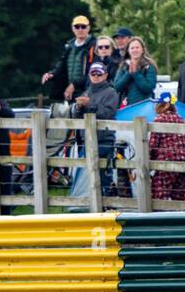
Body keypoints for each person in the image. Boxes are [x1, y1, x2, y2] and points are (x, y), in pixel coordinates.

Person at [72, 63, 119, 195]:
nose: (96, 76)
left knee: (104, 177)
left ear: (105, 75)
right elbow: (77, 118)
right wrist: (79, 108)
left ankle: (109, 207)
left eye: (99, 74)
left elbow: (108, 113)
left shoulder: (111, 92)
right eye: (93, 74)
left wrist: (89, 105)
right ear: (89, 75)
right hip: (86, 140)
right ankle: (91, 206)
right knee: (88, 176)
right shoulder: (87, 92)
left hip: (104, 140)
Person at [42, 15, 94, 104]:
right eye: (77, 27)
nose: (80, 29)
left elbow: (93, 72)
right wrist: (51, 74)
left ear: (88, 28)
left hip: (87, 91)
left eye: (83, 26)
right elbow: (61, 65)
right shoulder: (69, 46)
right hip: (70, 93)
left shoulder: (94, 45)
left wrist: (74, 84)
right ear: (73, 28)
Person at [149, 91, 185, 202]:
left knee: (159, 193)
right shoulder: (180, 119)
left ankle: (159, 217)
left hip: (167, 160)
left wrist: (148, 161)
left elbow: (153, 144)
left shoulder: (159, 119)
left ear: (164, 105)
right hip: (184, 160)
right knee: (180, 194)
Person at [112, 36, 158, 106]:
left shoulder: (149, 66)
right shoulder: (123, 66)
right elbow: (116, 87)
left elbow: (149, 88)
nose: (135, 50)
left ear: (142, 50)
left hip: (144, 107)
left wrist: (136, 74)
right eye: (132, 48)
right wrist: (128, 74)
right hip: (126, 107)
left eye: (137, 47)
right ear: (128, 50)